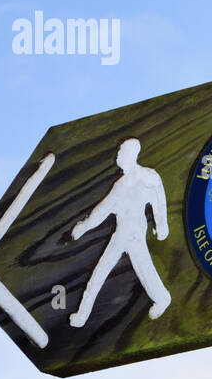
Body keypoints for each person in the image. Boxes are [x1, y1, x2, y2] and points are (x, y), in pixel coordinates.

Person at [69, 138, 171, 327]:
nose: (118, 156)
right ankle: (82, 315)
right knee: (101, 272)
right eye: (119, 152)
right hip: (122, 234)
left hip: (135, 234)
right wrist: (83, 227)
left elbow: (159, 198)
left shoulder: (147, 177)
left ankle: (163, 298)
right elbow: (102, 210)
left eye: (121, 152)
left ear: (131, 155)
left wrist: (162, 225)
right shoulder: (120, 186)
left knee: (142, 269)